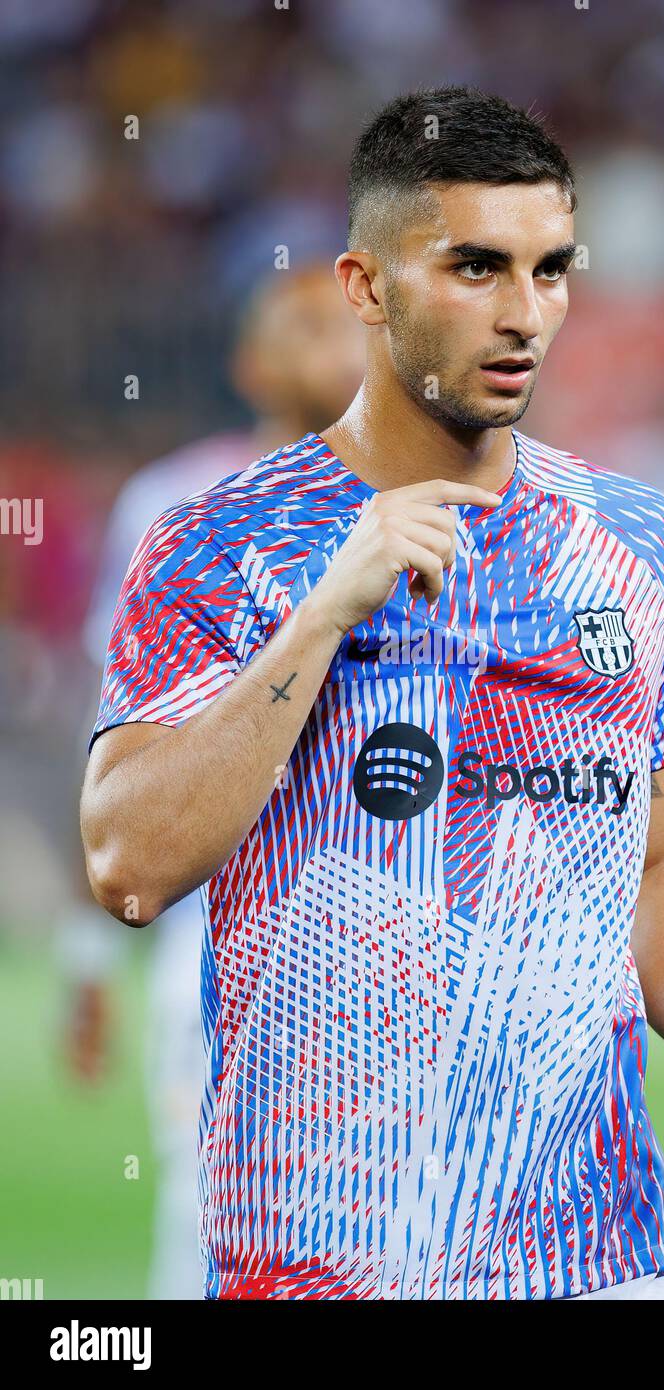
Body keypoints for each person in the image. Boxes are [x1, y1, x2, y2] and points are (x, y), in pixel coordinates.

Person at [80, 86, 664, 1301]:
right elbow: (129, 865)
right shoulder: (216, 541)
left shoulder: (631, 541)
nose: (525, 315)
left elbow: (659, 857)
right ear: (367, 286)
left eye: (550, 270)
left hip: (600, 1259)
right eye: (475, 267)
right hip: (319, 1263)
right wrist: (324, 614)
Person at [63, 262, 363, 1298]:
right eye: (309, 326)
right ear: (254, 361)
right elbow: (114, 735)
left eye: (352, 324)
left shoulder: (412, 506)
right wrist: (88, 954)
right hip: (211, 921)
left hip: (374, 929)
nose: (344, 346)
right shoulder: (177, 504)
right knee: (215, 1218)